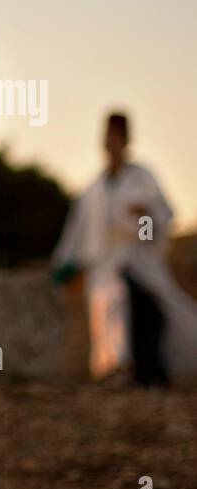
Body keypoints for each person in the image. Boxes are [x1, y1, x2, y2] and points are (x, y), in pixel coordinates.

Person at [53, 112, 197, 386]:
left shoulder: (143, 179)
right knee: (109, 307)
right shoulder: (93, 189)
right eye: (109, 136)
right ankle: (114, 366)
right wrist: (65, 263)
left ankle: (145, 371)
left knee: (149, 316)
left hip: (141, 264)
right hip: (104, 266)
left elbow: (162, 219)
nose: (112, 142)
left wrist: (143, 220)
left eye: (117, 136)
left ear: (126, 140)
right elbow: (77, 231)